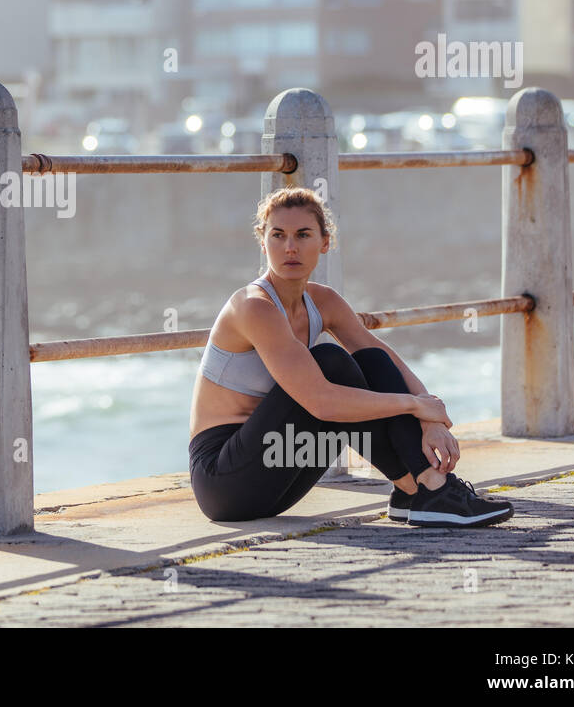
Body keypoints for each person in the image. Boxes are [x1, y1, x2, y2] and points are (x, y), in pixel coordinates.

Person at [188, 186, 513, 528]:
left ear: (325, 243)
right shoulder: (254, 307)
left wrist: (430, 414)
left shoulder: (323, 301)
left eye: (303, 235)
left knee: (369, 358)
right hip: (224, 482)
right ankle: (428, 487)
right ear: (263, 240)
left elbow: (384, 358)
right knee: (331, 362)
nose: (290, 247)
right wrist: (413, 406)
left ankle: (414, 491)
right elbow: (322, 403)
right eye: (278, 235)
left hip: (281, 465)